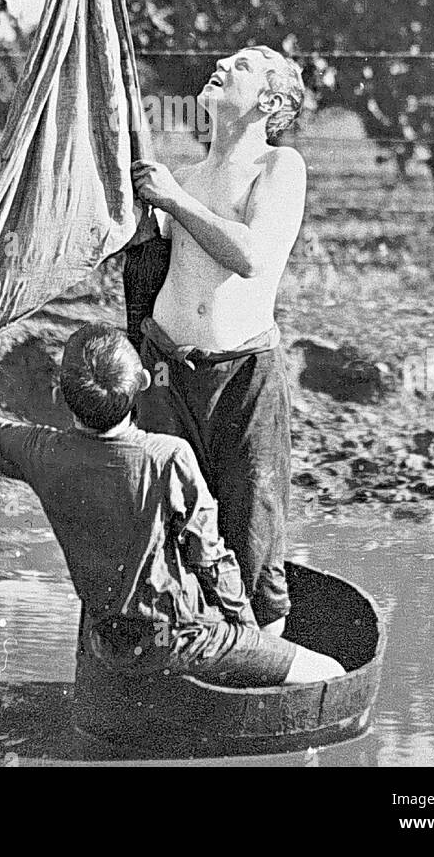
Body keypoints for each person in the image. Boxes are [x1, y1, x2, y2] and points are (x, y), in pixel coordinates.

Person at [0, 322, 342, 686]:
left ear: (61, 393)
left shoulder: (40, 452)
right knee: (329, 673)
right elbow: (213, 558)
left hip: (108, 642)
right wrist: (250, 637)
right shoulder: (168, 457)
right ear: (141, 385)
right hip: (181, 640)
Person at [129, 46, 307, 636]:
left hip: (242, 379)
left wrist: (172, 200)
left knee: (252, 534)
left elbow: (251, 256)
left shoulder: (279, 168)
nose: (224, 65)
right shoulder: (187, 176)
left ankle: (261, 675)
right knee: (167, 523)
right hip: (167, 371)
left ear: (271, 101)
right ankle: (179, 656)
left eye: (245, 64)